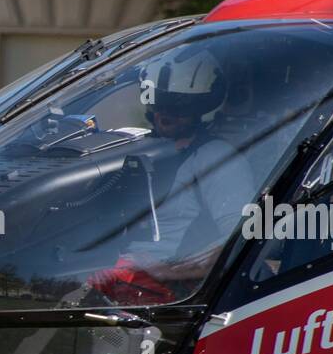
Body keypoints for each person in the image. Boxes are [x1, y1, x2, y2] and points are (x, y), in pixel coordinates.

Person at [88, 46, 256, 303]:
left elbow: (241, 239)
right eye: (159, 102)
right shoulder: (134, 145)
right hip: (109, 275)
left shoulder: (215, 157)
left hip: (161, 292)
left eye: (180, 106)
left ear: (201, 105)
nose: (165, 114)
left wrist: (169, 271)